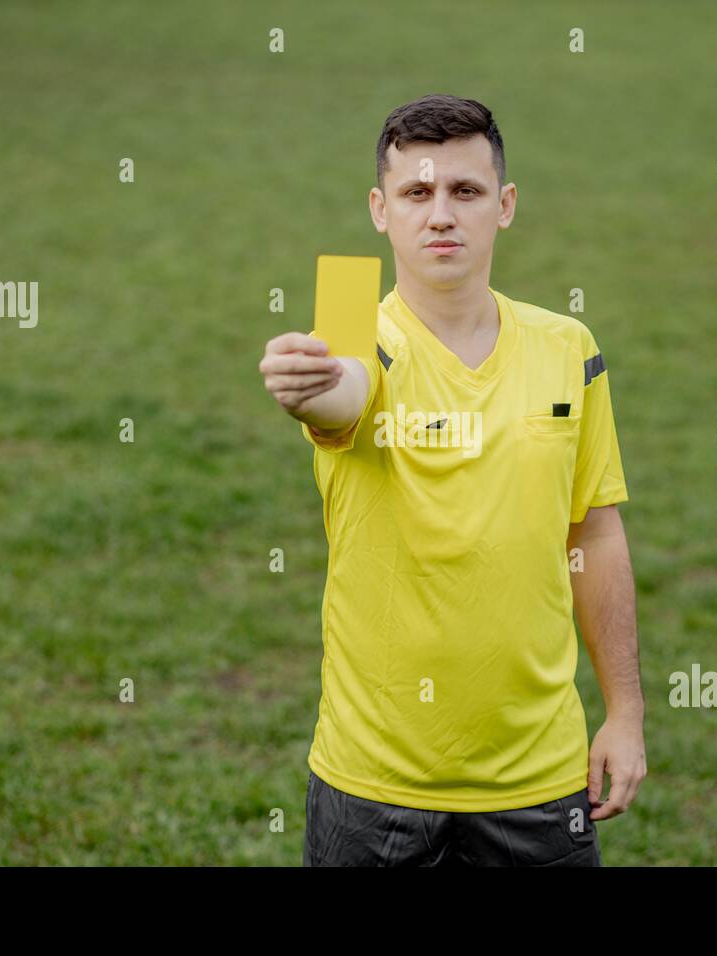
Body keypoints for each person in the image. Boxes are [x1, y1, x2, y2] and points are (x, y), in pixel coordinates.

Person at [258, 94, 646, 866]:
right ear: (381, 210)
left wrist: (626, 712)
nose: (441, 214)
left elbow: (594, 532)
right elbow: (343, 394)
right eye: (416, 193)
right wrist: (307, 382)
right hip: (373, 787)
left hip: (538, 778)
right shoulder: (357, 341)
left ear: (504, 206)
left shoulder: (568, 347)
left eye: (464, 192)